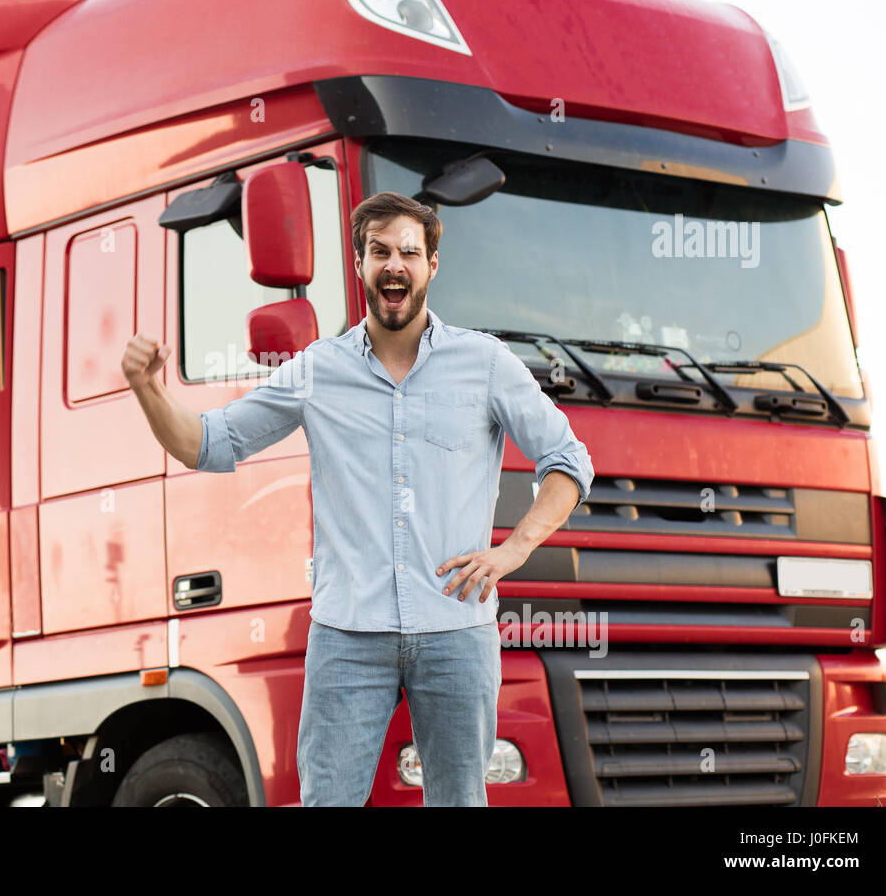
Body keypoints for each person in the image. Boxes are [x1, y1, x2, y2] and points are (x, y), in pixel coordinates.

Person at [121, 191, 593, 806]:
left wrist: (514, 550)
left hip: (456, 630)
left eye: (408, 252)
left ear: (432, 266)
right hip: (347, 636)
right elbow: (211, 444)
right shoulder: (318, 370)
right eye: (379, 251)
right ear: (360, 265)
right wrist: (147, 389)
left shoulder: (484, 363)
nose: (394, 263)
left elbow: (568, 460)